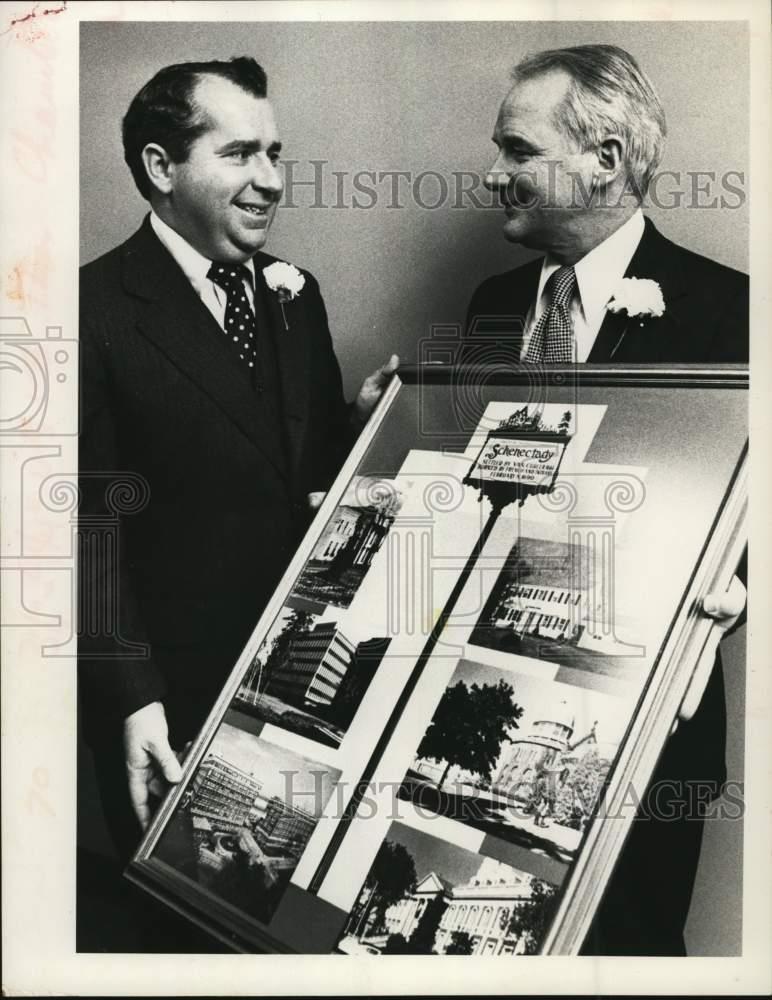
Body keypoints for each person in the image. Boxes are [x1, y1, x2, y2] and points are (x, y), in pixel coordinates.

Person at [78, 57, 398, 894]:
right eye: (240, 154)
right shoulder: (87, 312)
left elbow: (300, 479)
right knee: (191, 927)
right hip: (174, 706)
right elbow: (82, 538)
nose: (271, 182)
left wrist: (358, 432)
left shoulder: (297, 295)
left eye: (276, 154)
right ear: (161, 167)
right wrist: (130, 699)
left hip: (301, 689)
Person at [463, 44, 747, 954]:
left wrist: (738, 586)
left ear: (606, 160)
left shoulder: (734, 313)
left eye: (517, 150)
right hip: (493, 703)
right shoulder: (489, 309)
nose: (495, 173)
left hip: (648, 739)